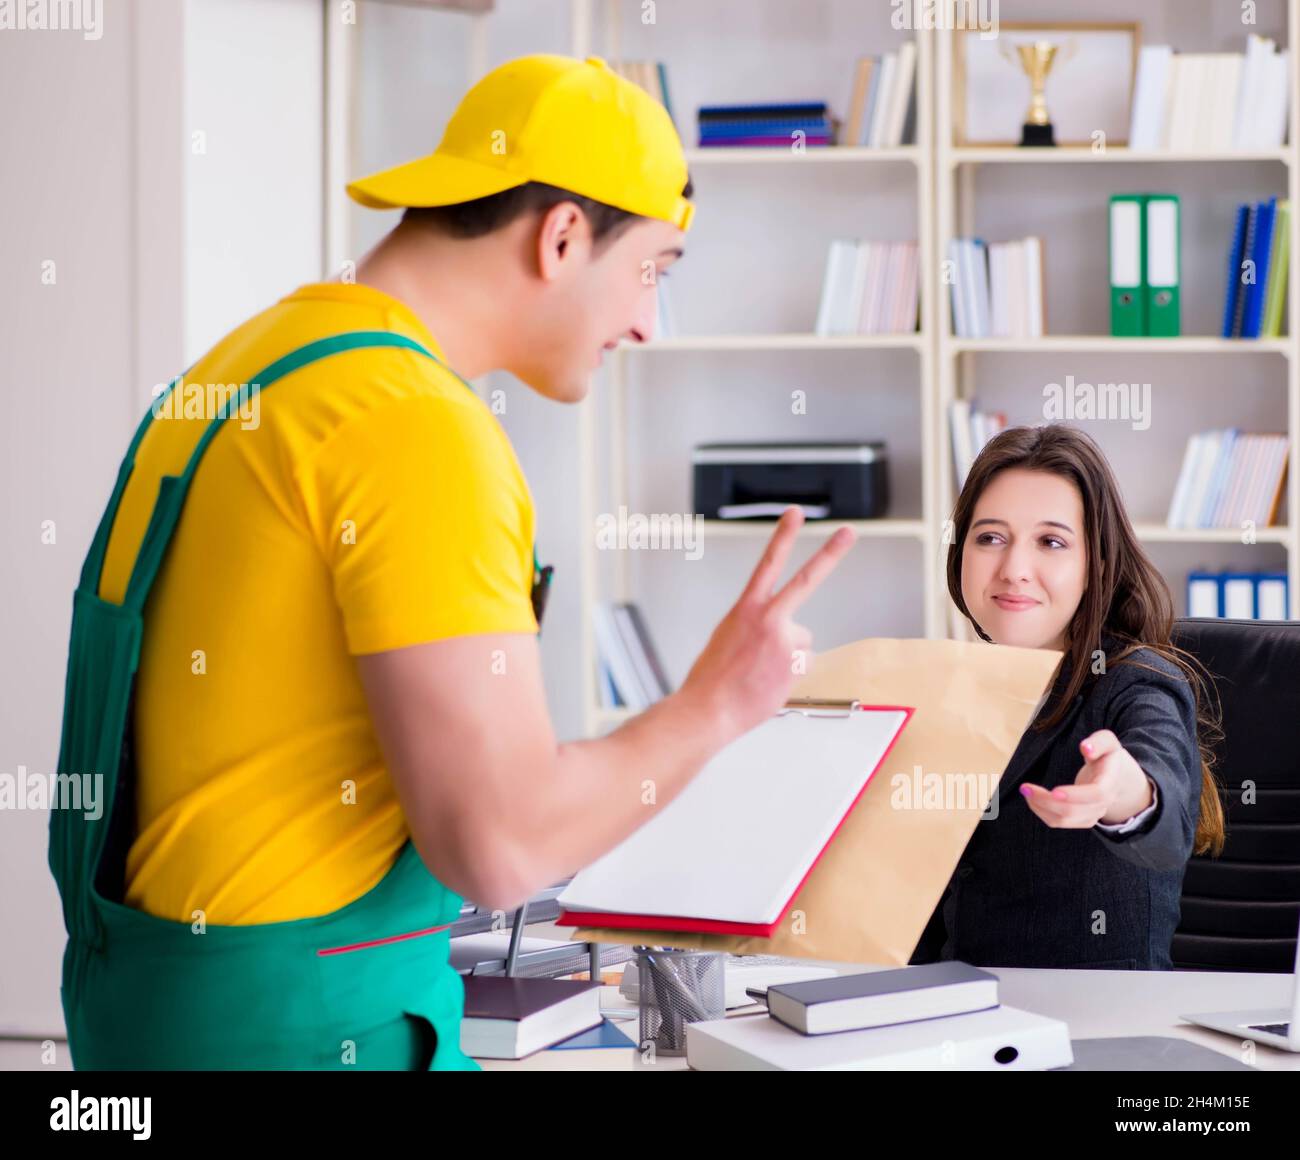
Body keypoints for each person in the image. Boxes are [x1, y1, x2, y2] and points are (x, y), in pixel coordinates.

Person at [49, 53, 854, 1070]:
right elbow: (501, 845)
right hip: (305, 1034)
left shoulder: (243, 368)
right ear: (563, 236)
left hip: (147, 1015)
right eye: (654, 268)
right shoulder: (414, 424)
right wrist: (716, 705)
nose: (649, 320)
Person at [912, 424, 1225, 970]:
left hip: (1093, 1030)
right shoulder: (946, 688)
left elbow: (1165, 818)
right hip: (953, 1018)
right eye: (989, 537)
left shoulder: (1137, 682)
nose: (1013, 570)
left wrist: (1124, 795)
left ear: (1096, 564)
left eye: (1051, 542)